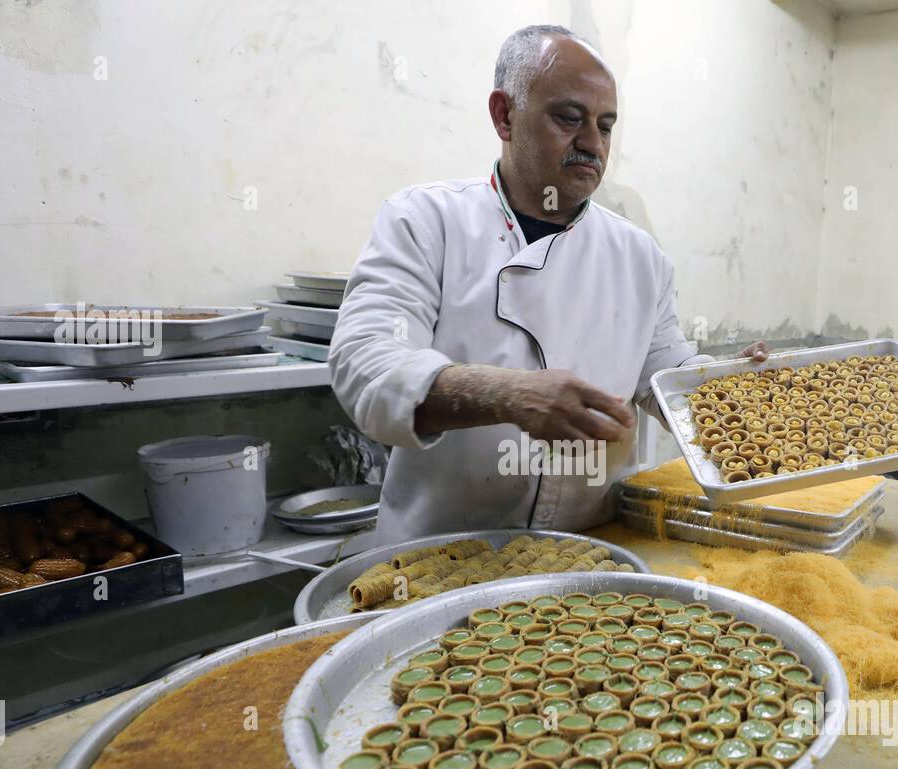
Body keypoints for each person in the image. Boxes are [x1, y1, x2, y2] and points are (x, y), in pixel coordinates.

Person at [329, 24, 768, 543]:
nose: (592, 144)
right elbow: (367, 363)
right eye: (569, 118)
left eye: (605, 126)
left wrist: (727, 384)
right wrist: (506, 395)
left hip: (587, 556)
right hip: (439, 555)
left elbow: (664, 371)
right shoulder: (425, 221)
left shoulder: (638, 255)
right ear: (504, 115)